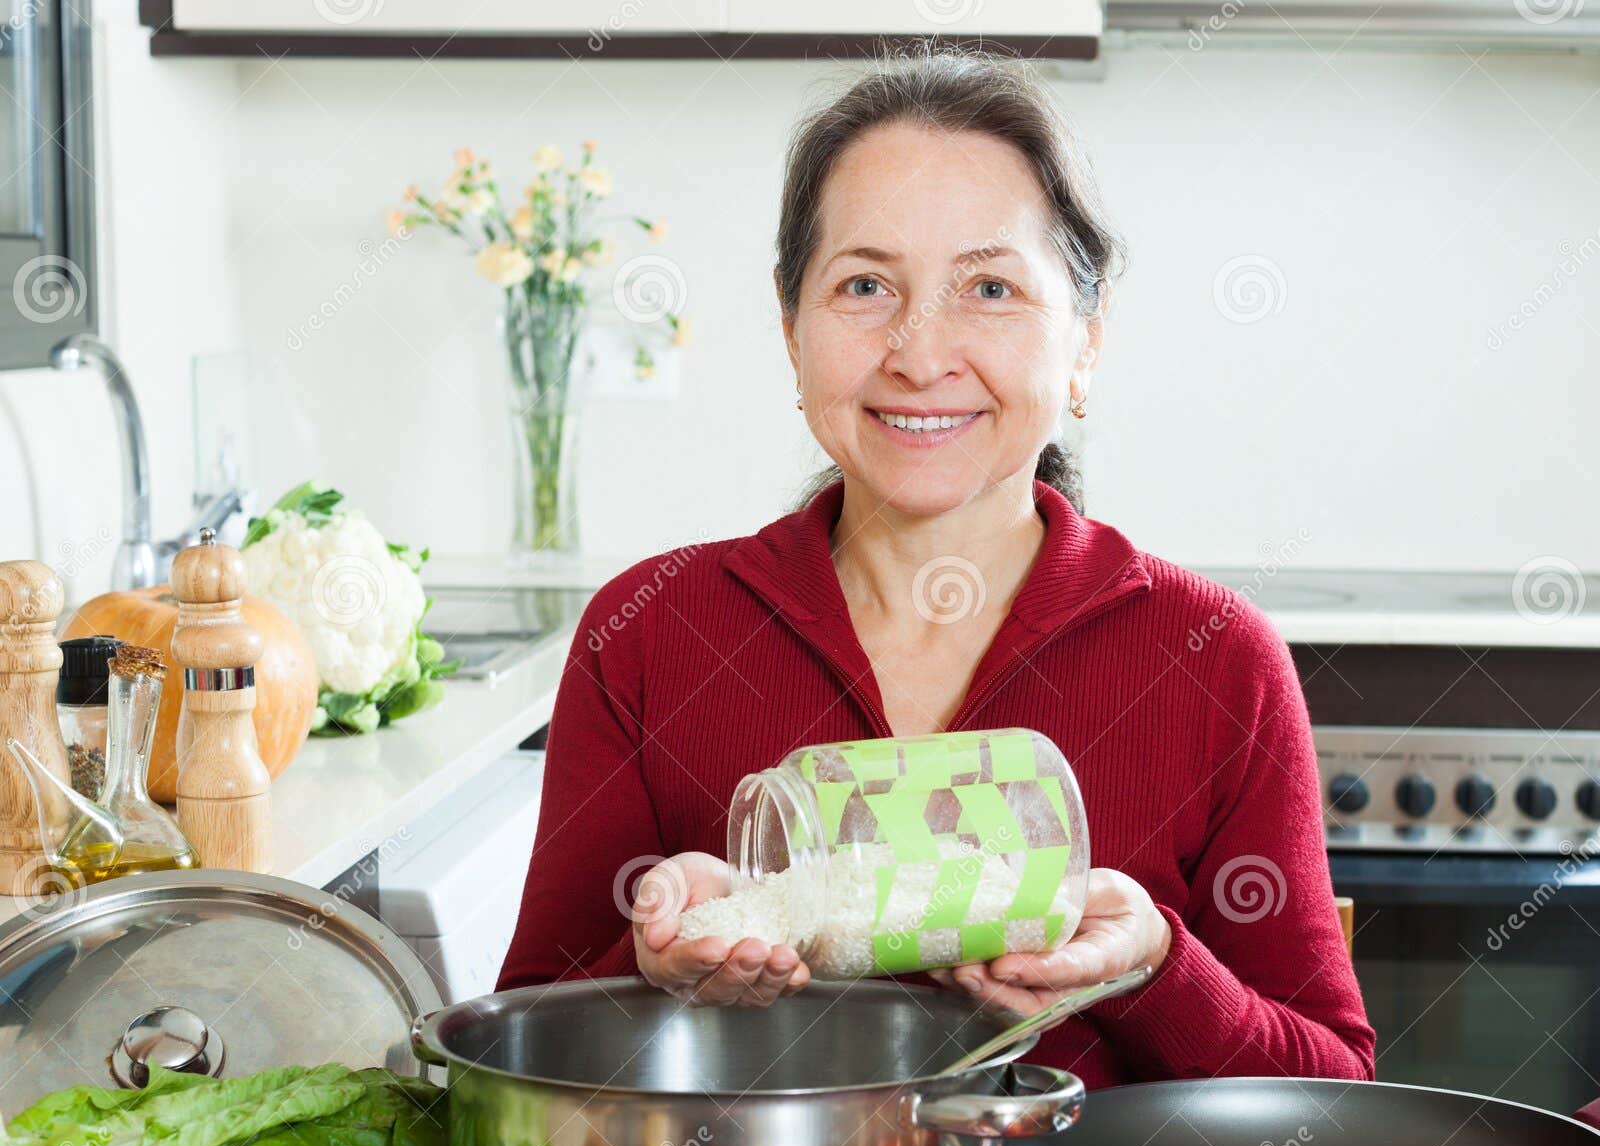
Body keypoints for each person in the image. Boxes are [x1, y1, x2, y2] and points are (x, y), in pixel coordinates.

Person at [498, 46, 1373, 1087]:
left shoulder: (1213, 657)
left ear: (1085, 342)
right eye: (865, 285)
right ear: (791, 329)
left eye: (989, 287)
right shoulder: (650, 631)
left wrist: (1151, 965)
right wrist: (658, 964)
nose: (919, 351)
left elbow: (1326, 1096)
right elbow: (520, 1047)